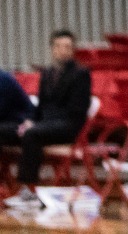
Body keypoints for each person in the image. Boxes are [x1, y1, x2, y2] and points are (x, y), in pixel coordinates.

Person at [0, 30, 90, 210]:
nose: (63, 50)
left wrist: (37, 125)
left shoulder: (81, 74)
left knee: (32, 134)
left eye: (67, 47)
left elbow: (77, 112)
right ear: (52, 49)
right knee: (7, 130)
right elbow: (40, 107)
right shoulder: (47, 73)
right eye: (59, 46)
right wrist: (30, 121)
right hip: (45, 125)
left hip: (68, 127)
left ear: (73, 50)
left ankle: (28, 190)